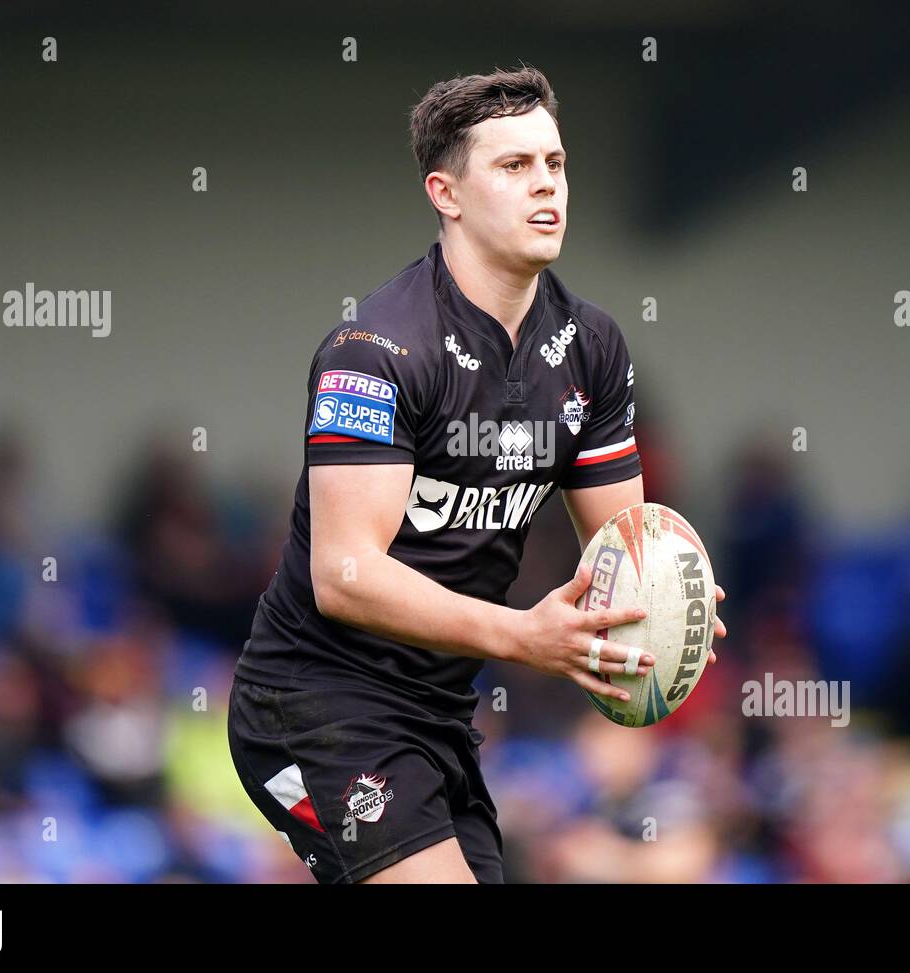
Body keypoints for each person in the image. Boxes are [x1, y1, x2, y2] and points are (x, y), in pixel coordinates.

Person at [228, 64, 724, 884]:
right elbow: (343, 576)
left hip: (439, 716)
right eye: (514, 166)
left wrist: (670, 607)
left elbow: (624, 553)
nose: (547, 187)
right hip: (314, 705)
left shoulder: (592, 349)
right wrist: (524, 636)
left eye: (555, 164)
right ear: (446, 193)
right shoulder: (375, 351)